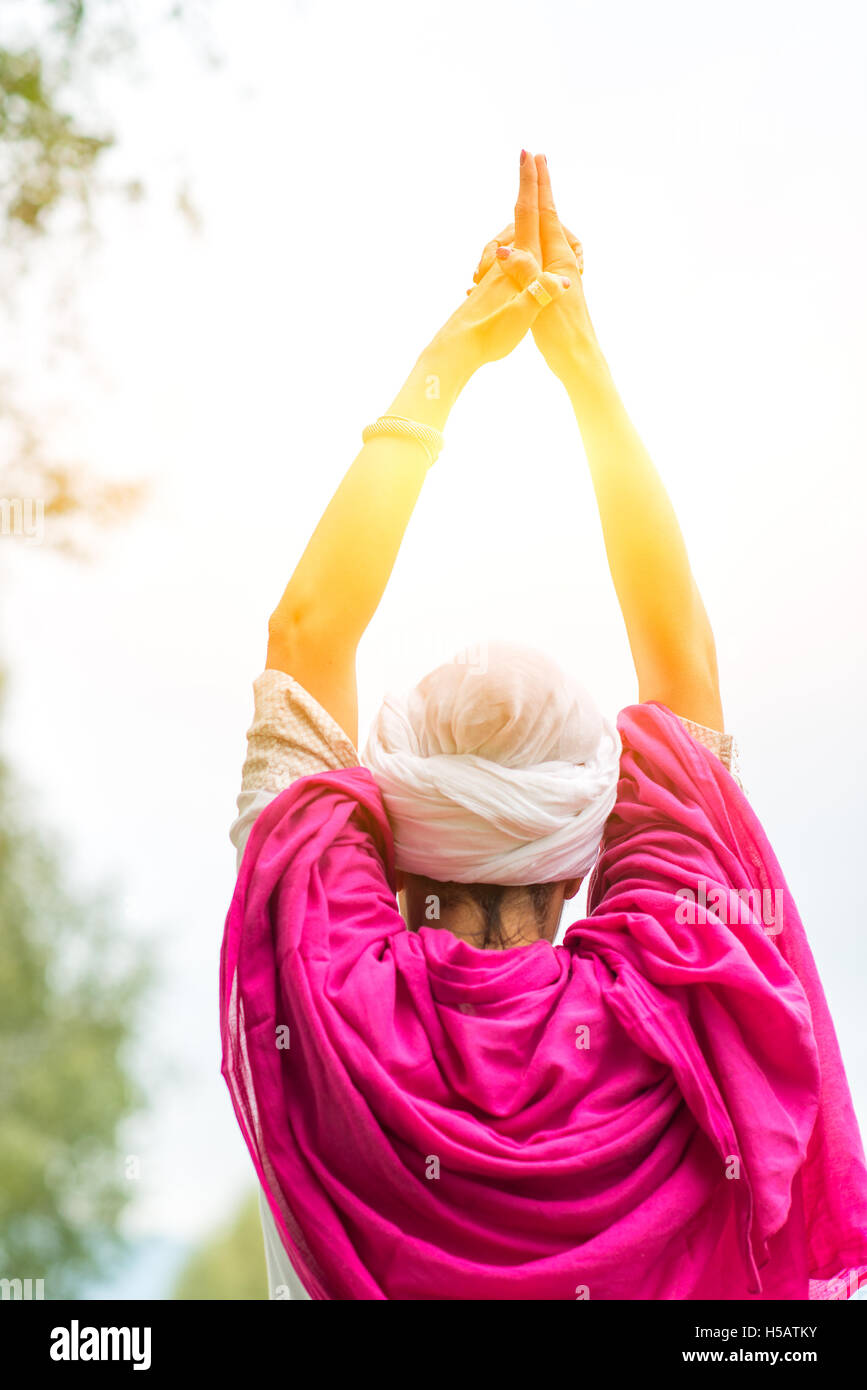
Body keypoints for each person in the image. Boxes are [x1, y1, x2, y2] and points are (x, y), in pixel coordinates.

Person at [221, 152, 867, 1300]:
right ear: (580, 858)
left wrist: (455, 355)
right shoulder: (673, 1007)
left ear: (390, 830)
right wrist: (585, 369)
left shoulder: (320, 989)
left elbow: (306, 632)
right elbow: (687, 676)